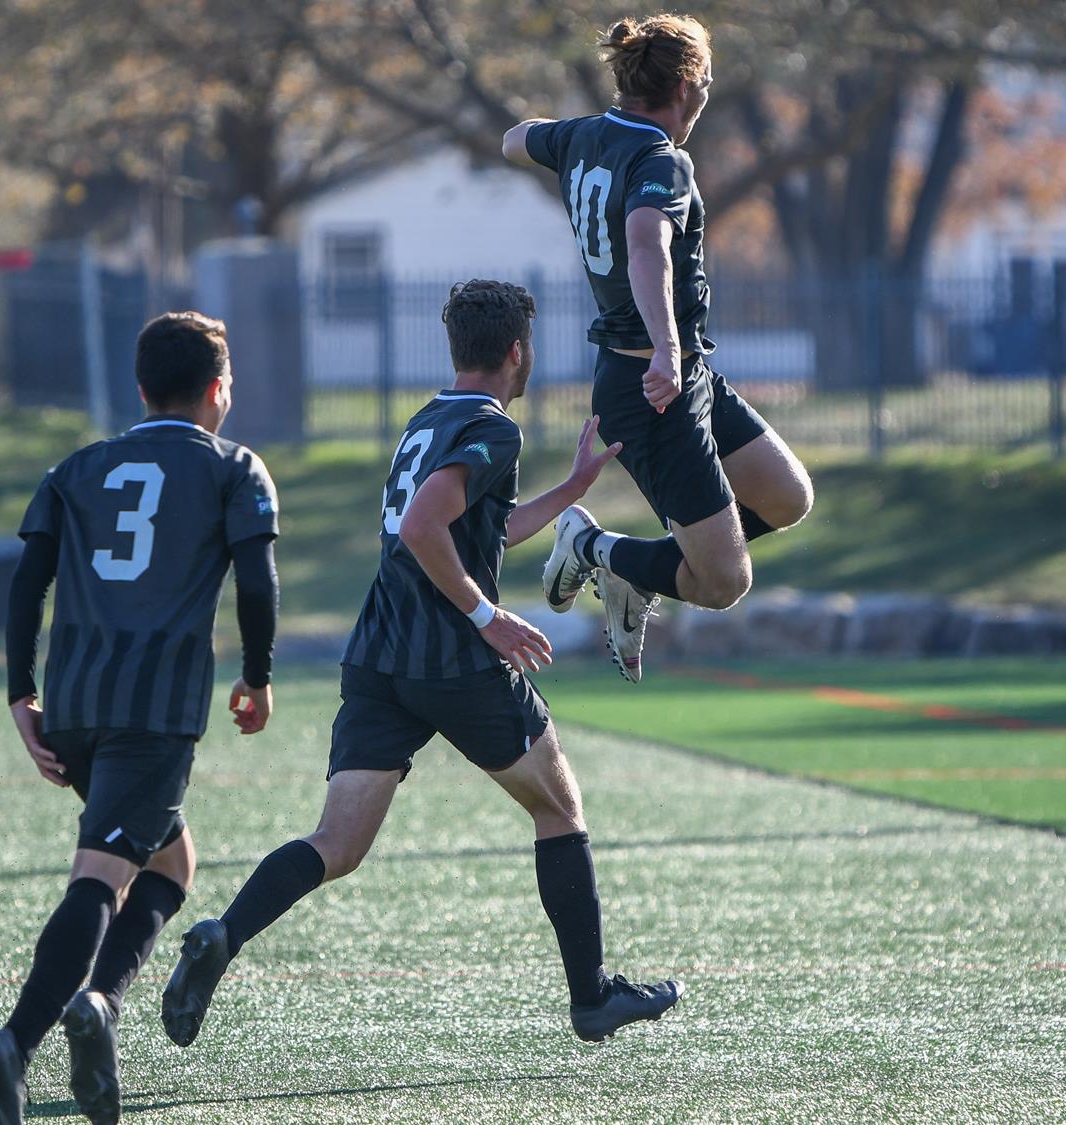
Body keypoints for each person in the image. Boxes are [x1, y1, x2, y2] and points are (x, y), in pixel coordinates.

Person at [159, 279, 682, 1051]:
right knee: (559, 808)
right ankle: (591, 996)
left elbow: (476, 527)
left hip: (380, 656)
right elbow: (422, 524)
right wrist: (487, 616)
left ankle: (223, 934)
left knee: (335, 844)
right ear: (516, 352)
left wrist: (569, 490)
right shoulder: (493, 427)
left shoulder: (428, 419)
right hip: (453, 658)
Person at [0, 311, 282, 1125]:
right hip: (153, 712)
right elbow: (257, 581)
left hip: (71, 703)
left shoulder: (74, 467)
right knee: (100, 877)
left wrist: (18, 694)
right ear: (219, 390)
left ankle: (101, 1000)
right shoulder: (234, 468)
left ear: (141, 390)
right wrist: (257, 675)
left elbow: (25, 584)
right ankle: (21, 1038)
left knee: (171, 864)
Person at [501, 13, 815, 683]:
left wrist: (561, 143)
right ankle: (593, 547)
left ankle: (623, 563)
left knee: (788, 497)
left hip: (684, 375)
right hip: (653, 388)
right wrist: (667, 349)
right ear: (687, 86)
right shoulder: (660, 159)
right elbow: (646, 244)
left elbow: (513, 140)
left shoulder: (586, 135)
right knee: (725, 581)